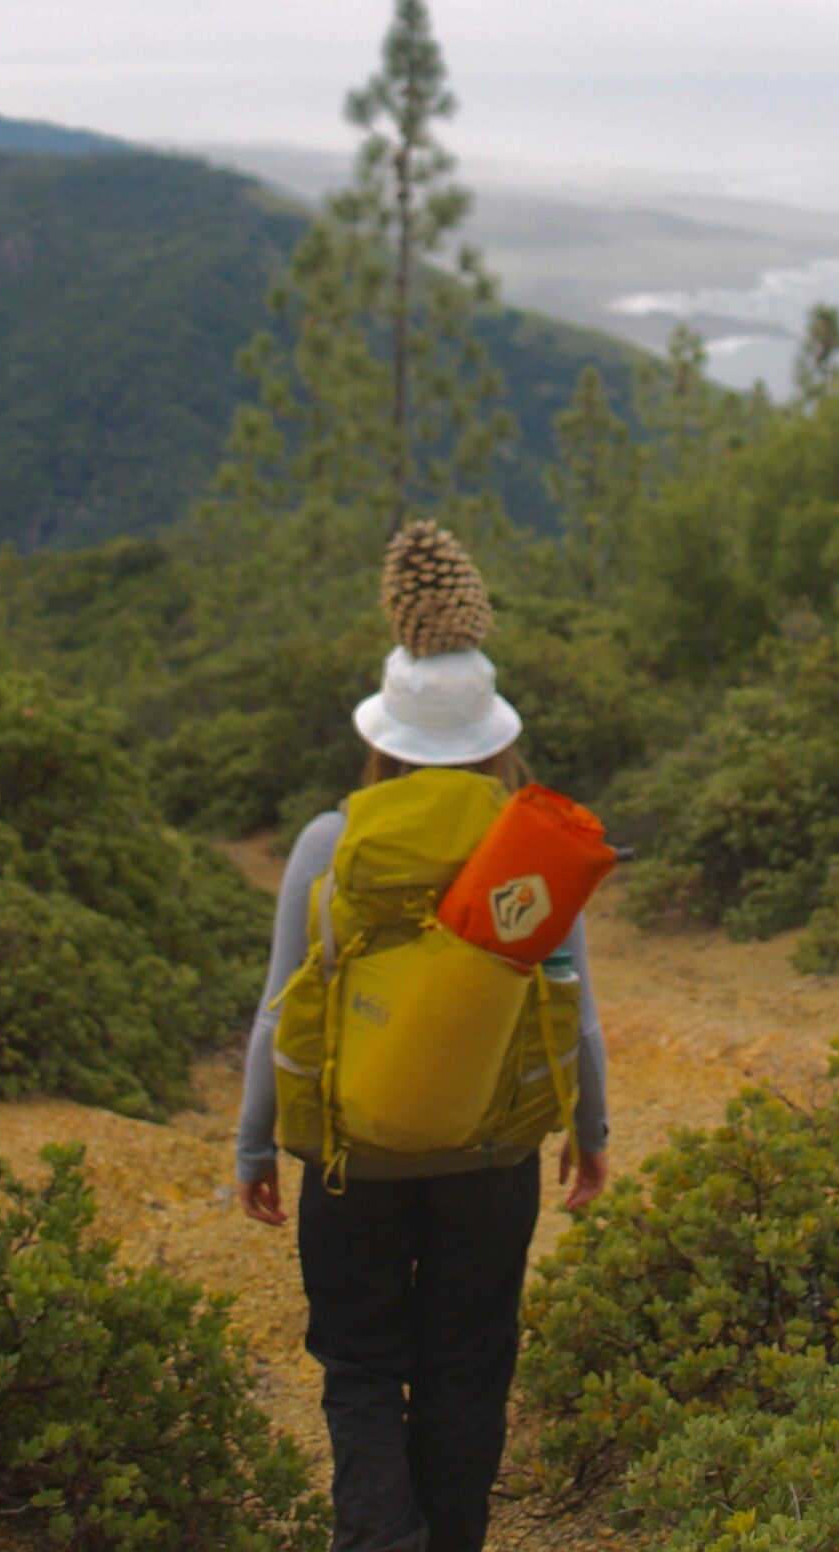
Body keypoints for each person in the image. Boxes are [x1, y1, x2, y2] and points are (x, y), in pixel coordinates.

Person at [236, 615, 611, 1552]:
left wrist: (253, 1143)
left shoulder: (331, 840)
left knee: (360, 1362)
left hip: (346, 1159)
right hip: (489, 1154)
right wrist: (589, 1132)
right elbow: (579, 1011)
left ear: (379, 740)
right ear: (499, 740)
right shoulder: (532, 849)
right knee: (468, 1367)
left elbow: (279, 1010)